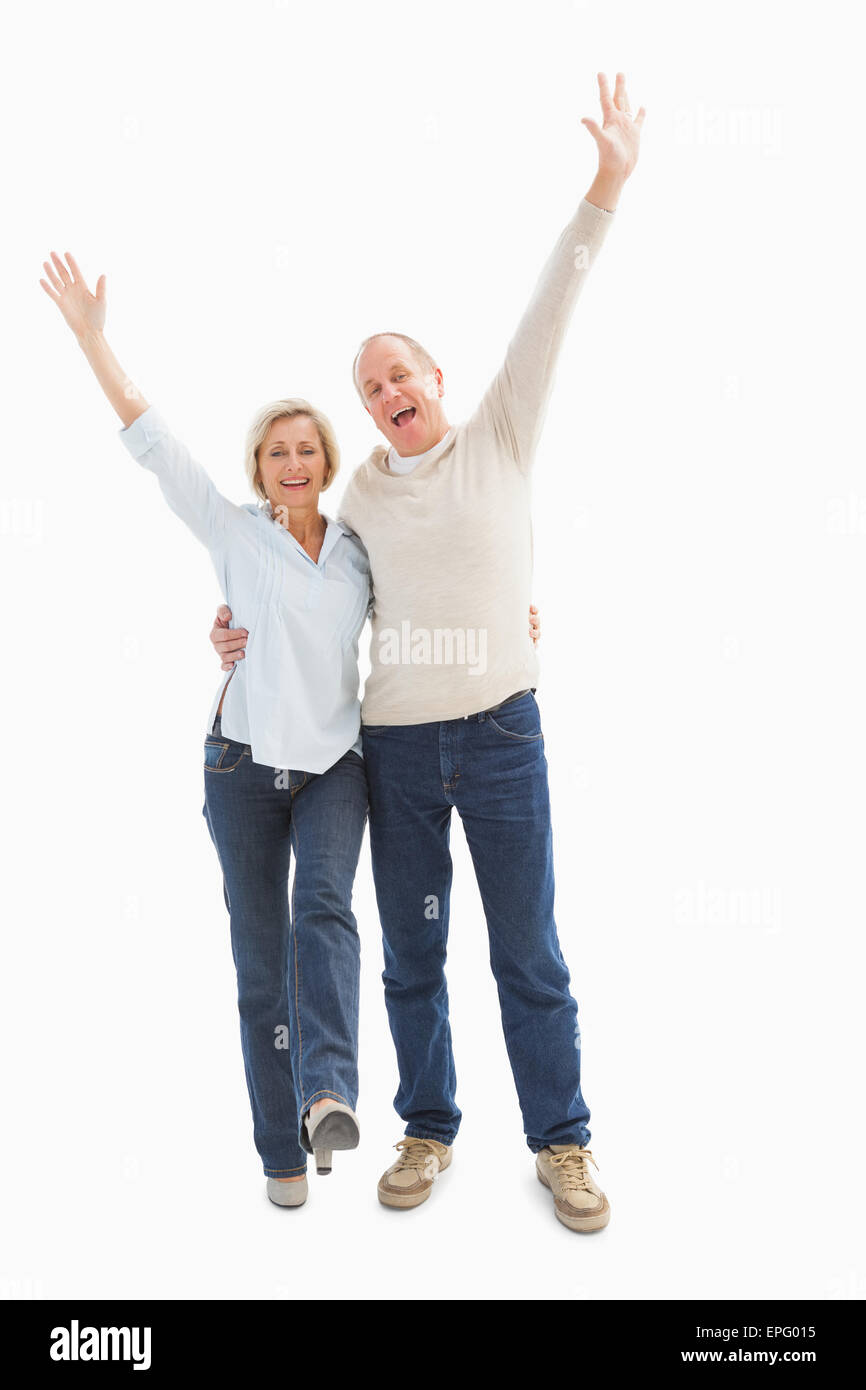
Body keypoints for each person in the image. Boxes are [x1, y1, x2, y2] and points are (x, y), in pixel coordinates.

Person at [211, 71, 645, 1231]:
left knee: (528, 952)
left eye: (400, 374)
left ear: (437, 381)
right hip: (395, 748)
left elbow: (553, 304)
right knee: (410, 954)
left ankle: (561, 1141)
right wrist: (231, 630)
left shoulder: (500, 428)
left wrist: (603, 185)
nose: (387, 392)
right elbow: (296, 570)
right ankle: (427, 1125)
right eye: (370, 388)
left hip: (503, 733)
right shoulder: (354, 496)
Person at [38, 254, 372, 1208]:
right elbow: (153, 439)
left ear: (327, 461)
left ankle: (327, 1095)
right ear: (259, 469)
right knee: (261, 961)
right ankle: (280, 1150)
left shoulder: (357, 548)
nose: (295, 463)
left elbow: (436, 584)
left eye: (307, 449)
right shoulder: (233, 532)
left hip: (336, 767)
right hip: (243, 765)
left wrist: (511, 620)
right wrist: (93, 338)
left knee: (327, 914)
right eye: (277, 452)